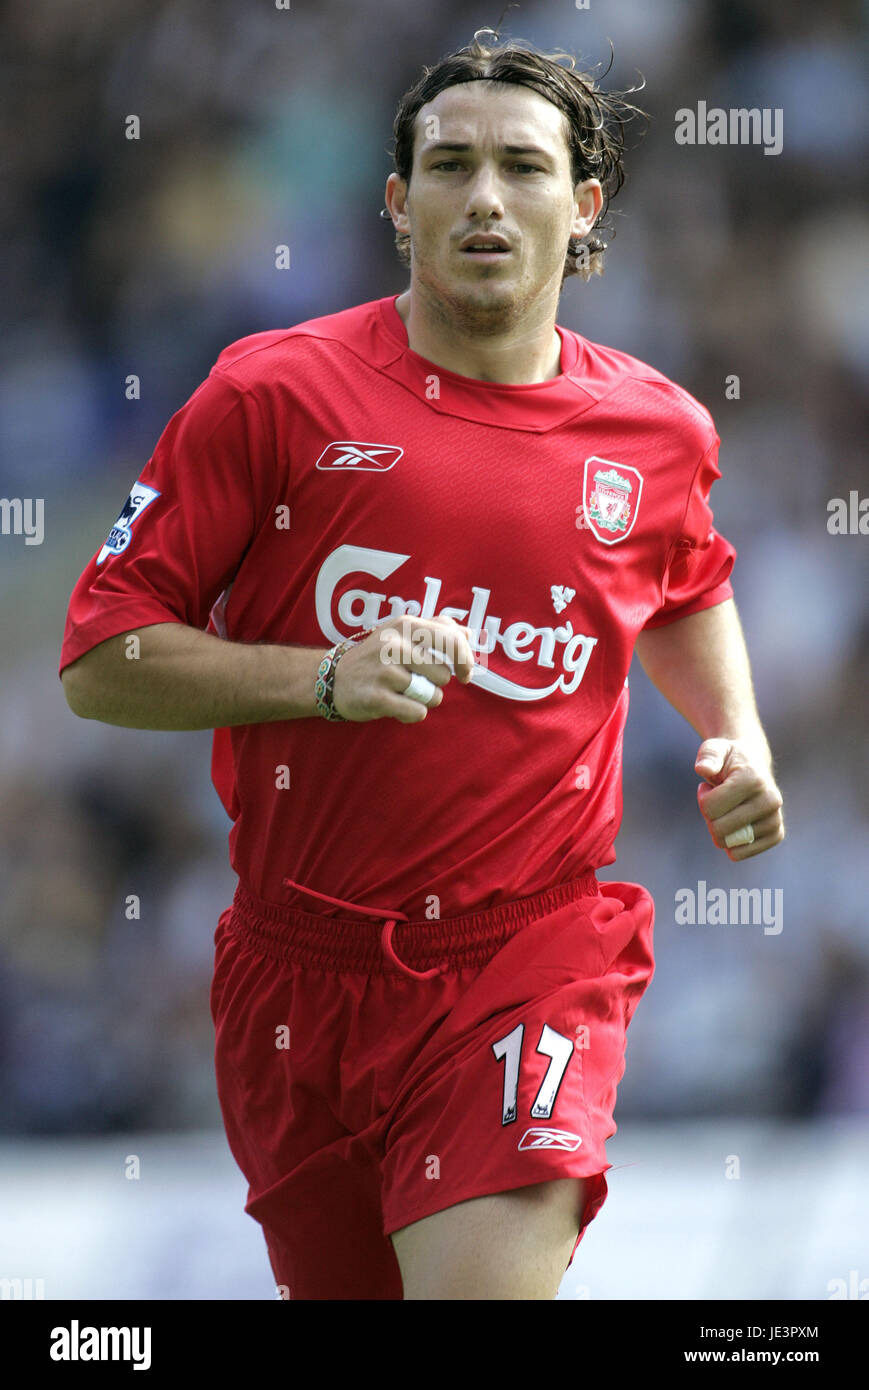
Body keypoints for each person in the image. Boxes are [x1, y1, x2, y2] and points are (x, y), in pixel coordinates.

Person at [58, 29, 784, 1300]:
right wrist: (319, 678)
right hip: (298, 974)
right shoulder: (272, 398)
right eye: (448, 167)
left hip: (528, 955)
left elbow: (685, 580)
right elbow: (102, 655)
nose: (485, 197)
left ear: (584, 204)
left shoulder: (654, 429)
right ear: (398, 205)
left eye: (521, 166)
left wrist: (735, 731)